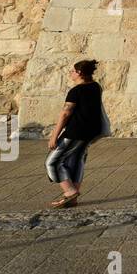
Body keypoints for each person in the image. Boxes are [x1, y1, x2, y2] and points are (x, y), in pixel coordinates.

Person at [45, 59, 104, 209]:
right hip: (91, 131)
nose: (70, 73)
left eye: (72, 71)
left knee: (52, 162)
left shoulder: (75, 91)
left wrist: (54, 136)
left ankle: (70, 192)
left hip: (75, 132)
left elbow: (65, 114)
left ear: (79, 73)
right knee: (77, 159)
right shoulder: (96, 87)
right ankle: (73, 198)